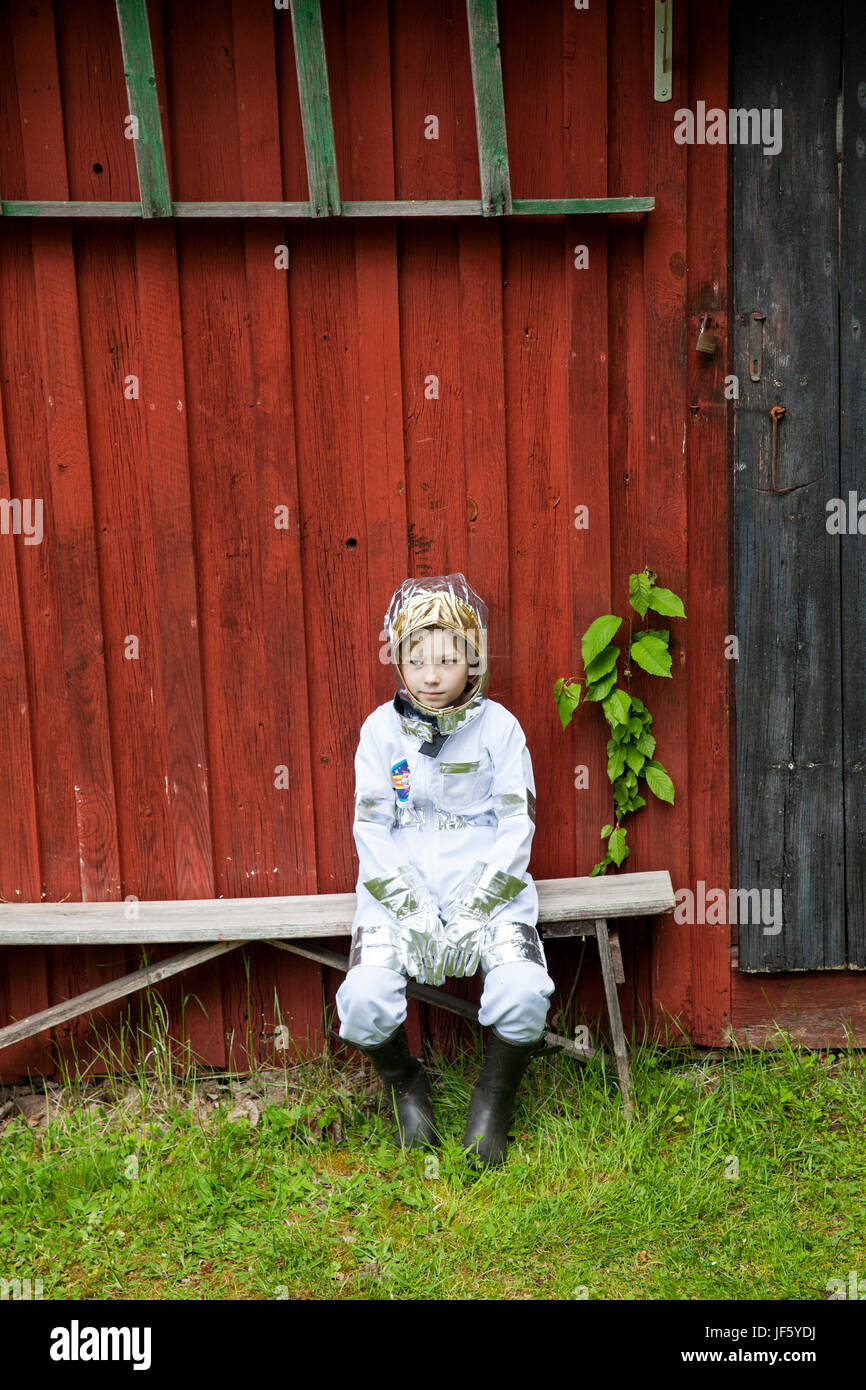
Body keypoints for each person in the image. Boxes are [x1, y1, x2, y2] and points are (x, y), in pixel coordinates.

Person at [335, 573, 556, 1168]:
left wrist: (474, 910)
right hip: (399, 893)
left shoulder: (501, 729)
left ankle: (492, 1099)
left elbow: (517, 826)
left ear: (473, 659)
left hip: (487, 892)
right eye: (416, 659)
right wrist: (411, 911)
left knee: (524, 991)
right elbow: (371, 830)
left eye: (447, 659)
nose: (431, 676)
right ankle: (407, 1085)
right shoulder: (380, 732)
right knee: (361, 1000)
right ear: (398, 660)